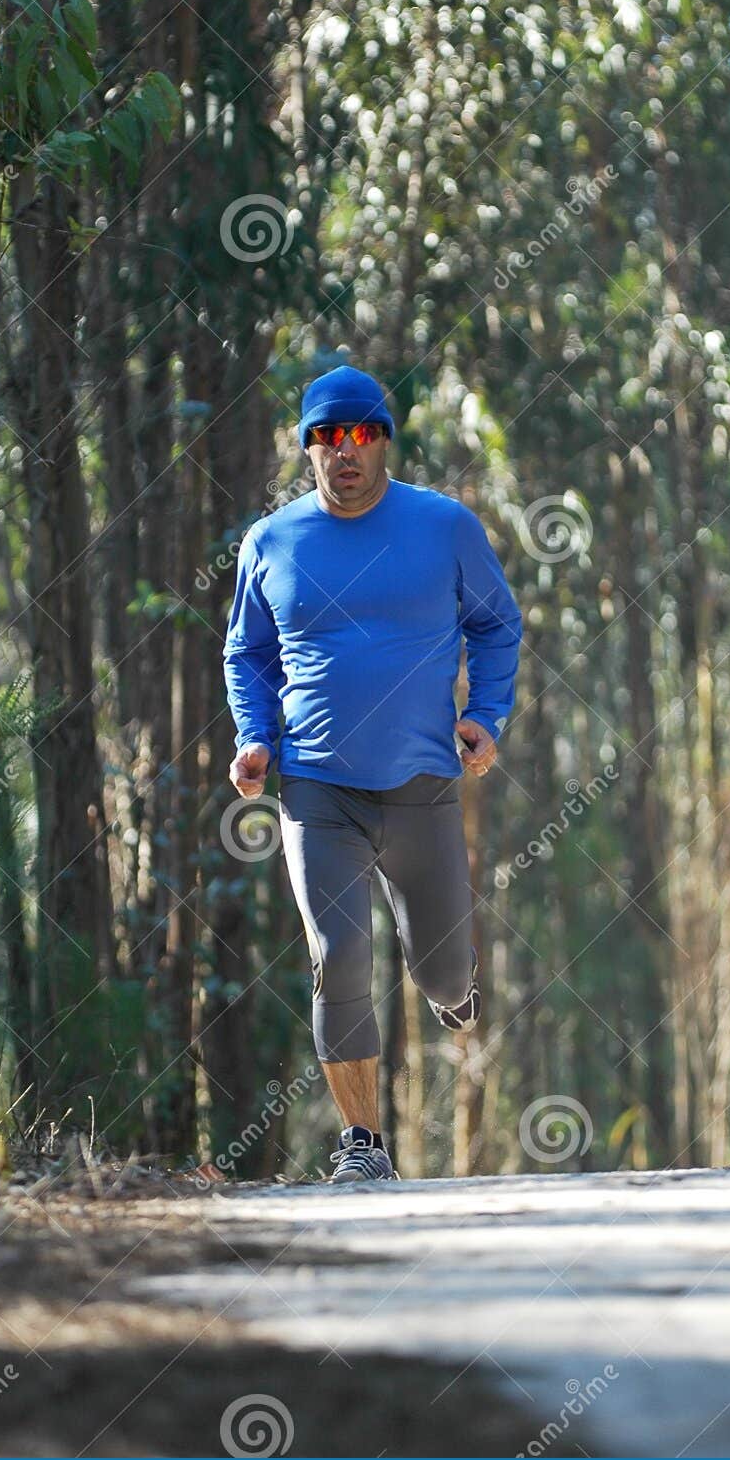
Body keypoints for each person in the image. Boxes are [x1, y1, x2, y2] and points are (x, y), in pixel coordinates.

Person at [223, 364, 522, 1182]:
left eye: (358, 433)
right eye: (325, 436)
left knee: (441, 969)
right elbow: (245, 653)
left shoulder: (444, 526)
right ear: (308, 450)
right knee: (339, 951)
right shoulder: (271, 541)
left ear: (384, 440)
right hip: (315, 784)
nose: (342, 450)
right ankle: (363, 1145)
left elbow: (498, 627)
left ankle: (451, 984)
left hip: (421, 779)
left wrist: (485, 716)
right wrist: (256, 737)